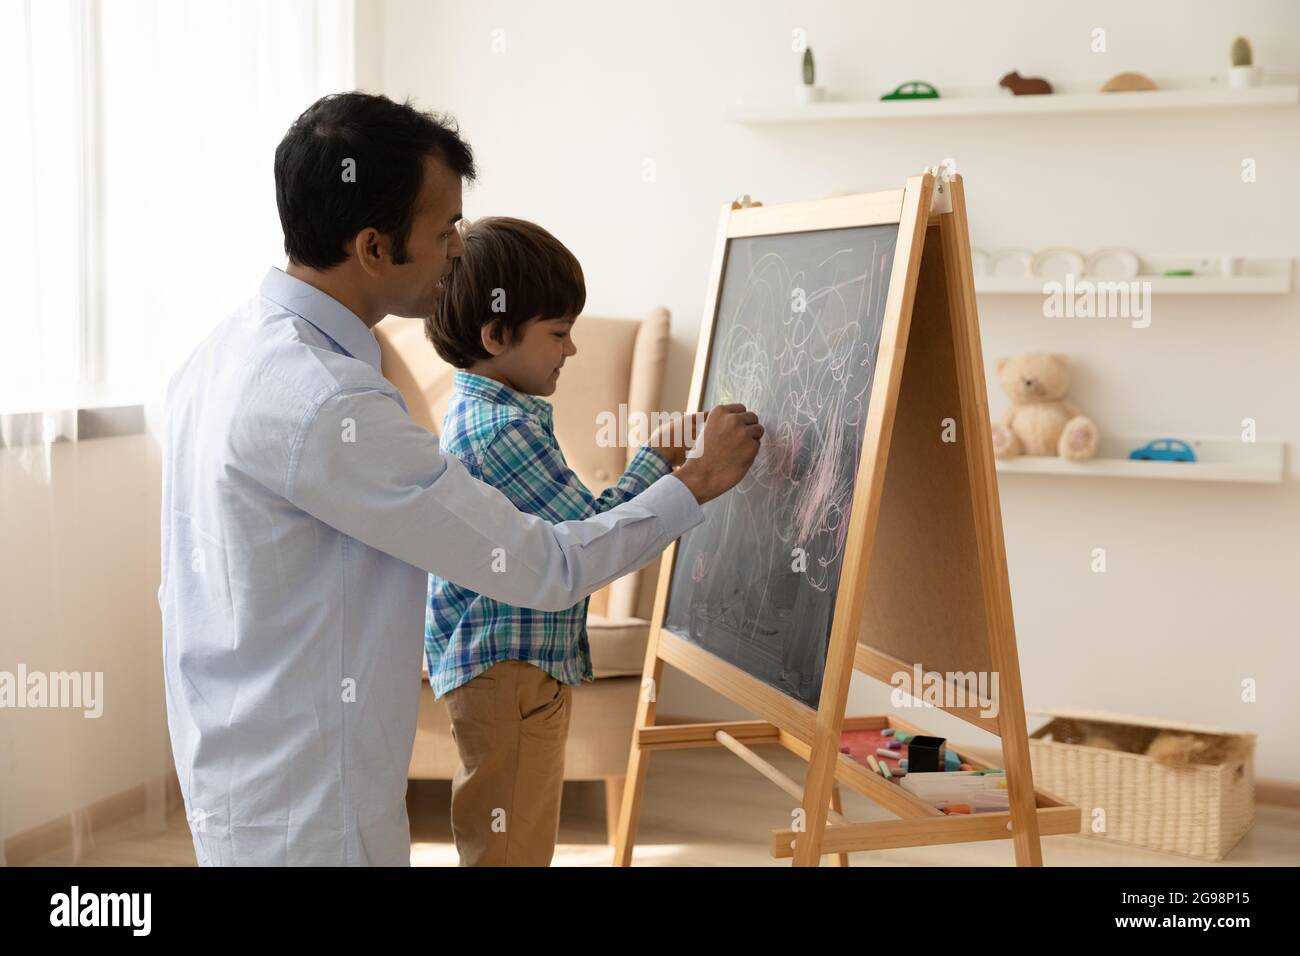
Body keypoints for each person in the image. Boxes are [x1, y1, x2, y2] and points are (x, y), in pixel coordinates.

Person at [158, 92, 762, 866]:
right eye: (444, 230)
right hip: (310, 809)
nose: (456, 250)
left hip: (239, 772)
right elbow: (548, 565)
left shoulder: (219, 354)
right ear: (375, 247)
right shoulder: (331, 403)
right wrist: (699, 480)